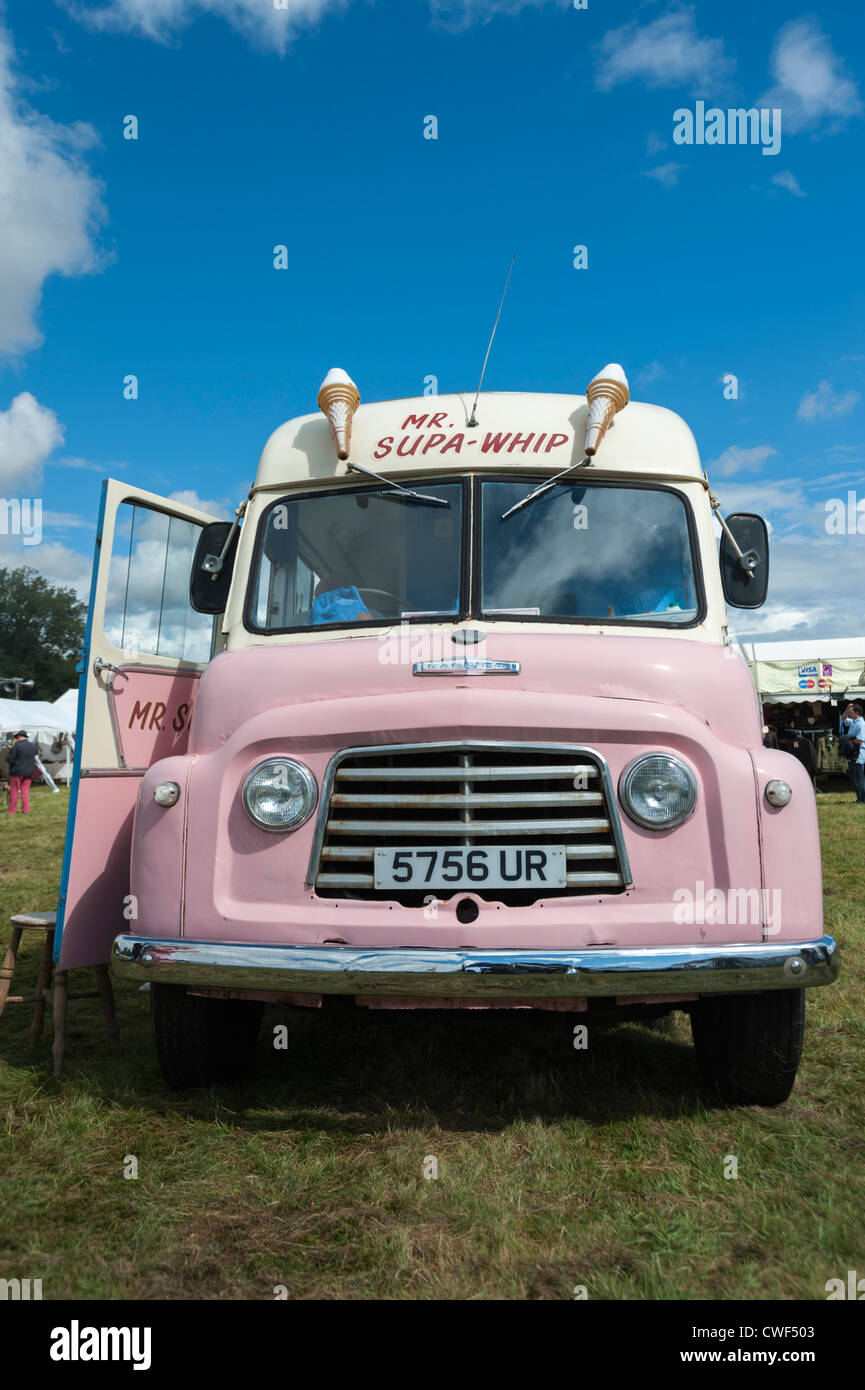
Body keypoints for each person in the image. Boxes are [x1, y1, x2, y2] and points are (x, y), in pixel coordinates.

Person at [7, 730, 38, 816]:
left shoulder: (16, 746)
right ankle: (25, 810)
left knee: (14, 791)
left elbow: (9, 759)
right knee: (25, 791)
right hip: (29, 771)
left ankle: (11, 811)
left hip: (17, 771)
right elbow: (35, 754)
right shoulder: (33, 745)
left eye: (17, 738)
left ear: (19, 737)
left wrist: (11, 750)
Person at [841, 702, 865, 804]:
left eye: (851, 712)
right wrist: (847, 709)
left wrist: (847, 739)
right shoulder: (853, 722)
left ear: (857, 713)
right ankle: (859, 799)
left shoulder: (861, 724)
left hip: (858, 754)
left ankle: (862, 800)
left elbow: (860, 741)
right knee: (854, 779)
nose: (849, 714)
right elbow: (842, 718)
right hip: (853, 753)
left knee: (859, 778)